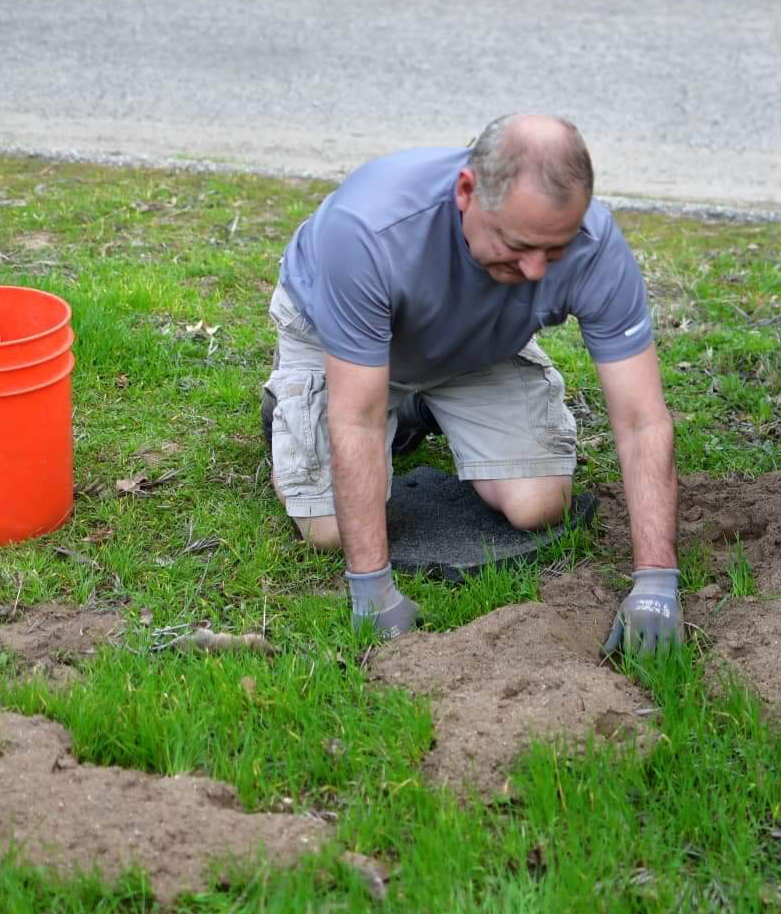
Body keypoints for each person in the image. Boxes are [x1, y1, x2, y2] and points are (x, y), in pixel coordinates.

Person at [263, 114, 681, 655]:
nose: (536, 271)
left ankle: (419, 409)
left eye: (552, 253)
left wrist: (656, 583)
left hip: (475, 349)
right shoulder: (369, 230)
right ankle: (290, 408)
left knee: (541, 504)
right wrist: (373, 591)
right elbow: (356, 418)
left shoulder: (593, 245)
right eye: (519, 244)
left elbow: (641, 419)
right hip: (340, 345)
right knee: (330, 531)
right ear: (467, 192)